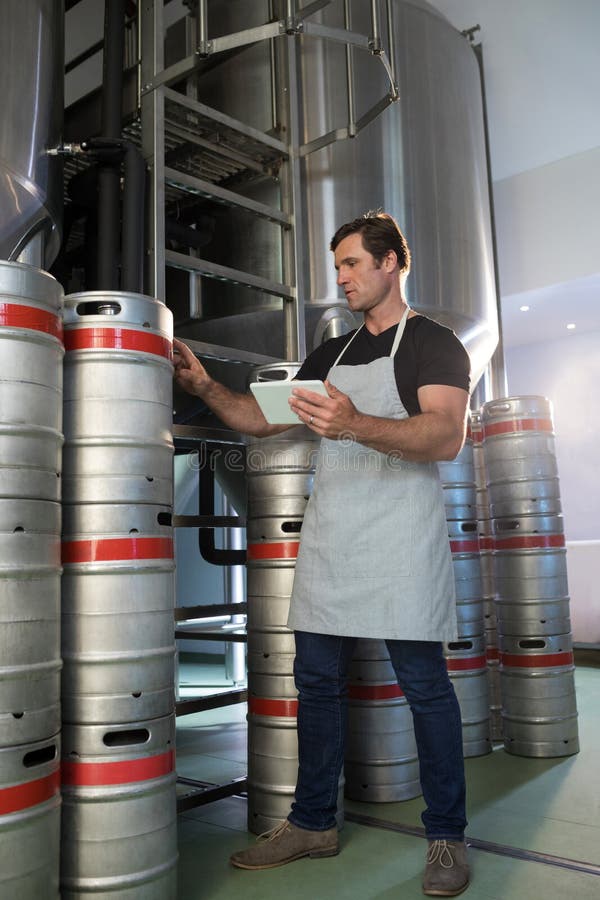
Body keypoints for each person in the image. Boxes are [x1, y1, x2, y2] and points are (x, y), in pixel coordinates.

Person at [173, 212, 472, 896]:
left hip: (401, 540)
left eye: (352, 264)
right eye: (337, 267)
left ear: (391, 262)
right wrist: (206, 387)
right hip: (334, 539)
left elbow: (444, 436)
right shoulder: (330, 356)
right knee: (315, 684)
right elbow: (260, 419)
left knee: (426, 690)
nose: (341, 278)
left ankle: (447, 838)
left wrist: (356, 422)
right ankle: (312, 823)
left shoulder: (434, 342)